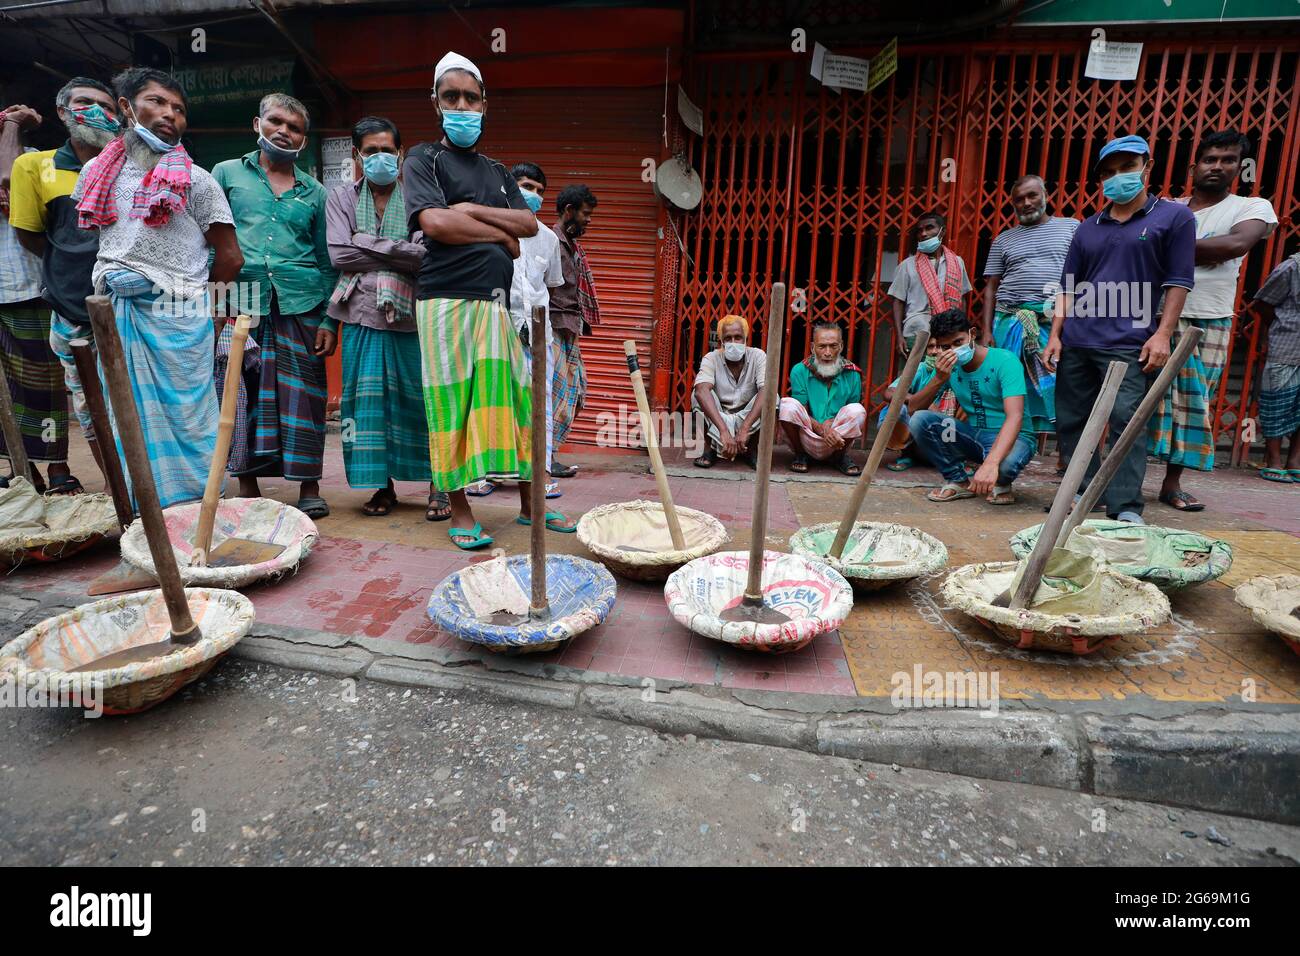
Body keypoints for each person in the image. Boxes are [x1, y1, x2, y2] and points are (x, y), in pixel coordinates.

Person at [403, 51, 575, 549]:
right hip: (444, 302)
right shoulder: (422, 159)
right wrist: (495, 232)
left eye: (471, 97)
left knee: (517, 405)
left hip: (495, 305)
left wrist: (470, 211)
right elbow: (434, 223)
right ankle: (460, 511)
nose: (462, 105)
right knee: (451, 405)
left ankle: (529, 506)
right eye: (451, 96)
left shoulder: (499, 172)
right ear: (435, 102)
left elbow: (526, 228)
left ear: (485, 103)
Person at [73, 67, 242, 509]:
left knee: (193, 420)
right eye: (157, 102)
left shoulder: (198, 180)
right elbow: (105, 242)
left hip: (178, 315)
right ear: (127, 107)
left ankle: (200, 515)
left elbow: (230, 257)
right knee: (127, 417)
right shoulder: (96, 171)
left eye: (179, 108)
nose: (170, 114)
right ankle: (145, 519)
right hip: (116, 316)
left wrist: (212, 319)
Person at [1043, 134, 1196, 525]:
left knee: (1127, 421)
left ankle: (1126, 506)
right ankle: (1084, 489)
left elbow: (1178, 280)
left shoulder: (1174, 217)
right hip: (1077, 339)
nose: (1118, 177)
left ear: (1148, 166)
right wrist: (1056, 335)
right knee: (1073, 419)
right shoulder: (1088, 227)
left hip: (1129, 343)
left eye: (1127, 168)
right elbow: (1067, 285)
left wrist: (1162, 333)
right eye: (1109, 172)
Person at [213, 93, 337, 519]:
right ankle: (247, 483)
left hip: (301, 302)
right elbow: (209, 241)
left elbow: (325, 260)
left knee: (305, 396)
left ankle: (309, 486)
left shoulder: (315, 191)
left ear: (304, 139)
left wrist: (328, 320)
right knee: (239, 390)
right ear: (257, 123)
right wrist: (212, 304)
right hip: (240, 298)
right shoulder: (226, 173)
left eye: (295, 127)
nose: (284, 131)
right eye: (276, 121)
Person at [1150, 130, 1278, 512]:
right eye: (1210, 159)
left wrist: (1165, 250)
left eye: (1227, 160)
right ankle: (1124, 480)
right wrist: (1200, 252)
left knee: (1194, 401)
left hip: (1208, 319)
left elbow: (1235, 245)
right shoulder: (1167, 207)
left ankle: (1172, 484)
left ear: (1240, 167)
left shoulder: (1251, 207)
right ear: (1194, 166)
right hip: (1153, 316)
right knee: (1141, 399)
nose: (1217, 166)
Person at [325, 115, 444, 521]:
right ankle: (383, 486)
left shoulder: (419, 197)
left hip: (414, 314)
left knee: (421, 400)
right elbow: (339, 254)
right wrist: (396, 249)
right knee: (366, 404)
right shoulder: (340, 197)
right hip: (360, 314)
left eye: (386, 150)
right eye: (370, 151)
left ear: (401, 152)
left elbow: (425, 256)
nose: (380, 157)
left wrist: (363, 241)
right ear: (358, 156)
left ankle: (439, 485)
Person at [8, 78, 121, 494]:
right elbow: (32, 235)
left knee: (139, 406)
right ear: (62, 111)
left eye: (106, 106)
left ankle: (153, 495)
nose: (95, 111)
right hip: (72, 310)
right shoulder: (34, 166)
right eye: (84, 103)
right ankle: (117, 493)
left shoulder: (131, 166)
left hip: (130, 308)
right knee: (92, 410)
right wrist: (73, 266)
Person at [463, 161, 565, 500]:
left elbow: (549, 286)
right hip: (495, 327)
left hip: (538, 335)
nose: (531, 194)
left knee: (540, 405)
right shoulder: (487, 229)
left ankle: (541, 473)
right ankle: (484, 473)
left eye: (538, 190)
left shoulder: (549, 239)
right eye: (525, 186)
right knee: (491, 400)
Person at [980, 174, 1079, 436]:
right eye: (1019, 199)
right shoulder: (1003, 239)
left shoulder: (1071, 228)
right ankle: (1017, 443)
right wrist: (987, 330)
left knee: (1062, 384)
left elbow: (1082, 275)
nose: (1026, 203)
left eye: (1032, 195)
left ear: (1046, 195)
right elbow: (991, 287)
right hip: (1009, 320)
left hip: (1054, 321)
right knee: (1012, 386)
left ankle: (1064, 454)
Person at [909, 308, 1036, 506]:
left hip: (1015, 436)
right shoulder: (949, 368)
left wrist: (991, 464)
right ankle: (957, 480)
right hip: (973, 436)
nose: (953, 350)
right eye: (945, 346)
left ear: (972, 334)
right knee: (920, 420)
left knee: (1004, 466)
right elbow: (913, 409)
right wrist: (939, 379)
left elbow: (1015, 416)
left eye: (958, 342)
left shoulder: (1005, 361)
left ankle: (1001, 483)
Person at [0, 101, 60, 489]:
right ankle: (25, 471)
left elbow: (7, 182)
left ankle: (57, 466)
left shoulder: (35, 160)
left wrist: (12, 130)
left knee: (44, 388)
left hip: (27, 287)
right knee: (4, 394)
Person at [547, 183, 600, 478]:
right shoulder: (550, 241)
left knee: (574, 392)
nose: (588, 220)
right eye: (585, 214)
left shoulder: (572, 246)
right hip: (553, 327)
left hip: (569, 328)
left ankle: (547, 452)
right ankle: (546, 456)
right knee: (554, 396)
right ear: (569, 211)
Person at [777, 319, 864, 475]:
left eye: (833, 346)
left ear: (841, 346)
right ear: (812, 347)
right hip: (807, 436)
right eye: (822, 346)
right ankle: (800, 454)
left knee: (857, 410)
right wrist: (823, 429)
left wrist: (831, 425)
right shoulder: (800, 370)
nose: (828, 353)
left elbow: (850, 414)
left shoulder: (852, 374)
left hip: (838, 438)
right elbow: (801, 411)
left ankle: (840, 457)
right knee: (787, 405)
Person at [889, 209, 971, 354]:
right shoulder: (907, 265)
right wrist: (899, 337)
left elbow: (962, 298)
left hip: (950, 332)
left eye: (929, 228)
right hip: (917, 332)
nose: (924, 234)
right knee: (914, 376)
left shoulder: (957, 262)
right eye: (920, 230)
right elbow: (897, 302)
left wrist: (962, 329)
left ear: (942, 231)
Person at [879, 334, 964, 472]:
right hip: (920, 431)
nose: (935, 351)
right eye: (930, 347)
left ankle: (956, 457)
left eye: (940, 347)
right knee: (903, 409)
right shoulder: (921, 368)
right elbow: (888, 393)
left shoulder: (958, 370)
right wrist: (925, 404)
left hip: (947, 430)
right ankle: (908, 454)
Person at [692, 314, 765, 469]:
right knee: (697, 395)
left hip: (748, 415)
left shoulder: (758, 356)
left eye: (738, 337)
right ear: (721, 342)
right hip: (719, 415)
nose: (733, 343)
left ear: (746, 340)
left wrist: (745, 428)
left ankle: (751, 451)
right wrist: (724, 431)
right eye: (728, 338)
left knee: (773, 398)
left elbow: (766, 391)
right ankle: (709, 449)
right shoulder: (711, 358)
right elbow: (701, 390)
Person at [1253, 251, 1300, 482]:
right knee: (1276, 402)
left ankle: (1294, 461)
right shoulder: (1291, 267)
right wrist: (1283, 324)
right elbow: (1263, 303)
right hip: (1287, 343)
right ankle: (1273, 460)